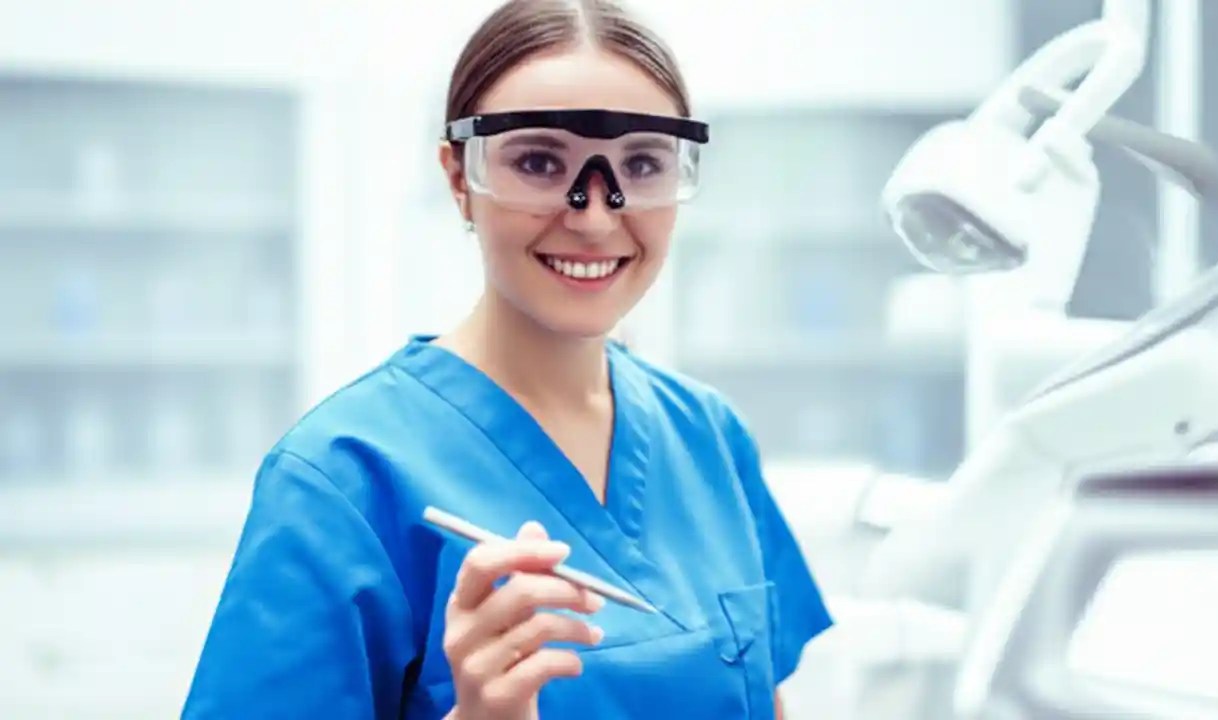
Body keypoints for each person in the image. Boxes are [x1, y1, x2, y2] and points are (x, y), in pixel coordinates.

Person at [181, 1, 832, 718]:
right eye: (539, 162)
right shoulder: (340, 480)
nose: (592, 215)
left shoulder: (709, 436)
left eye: (642, 164)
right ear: (459, 177)